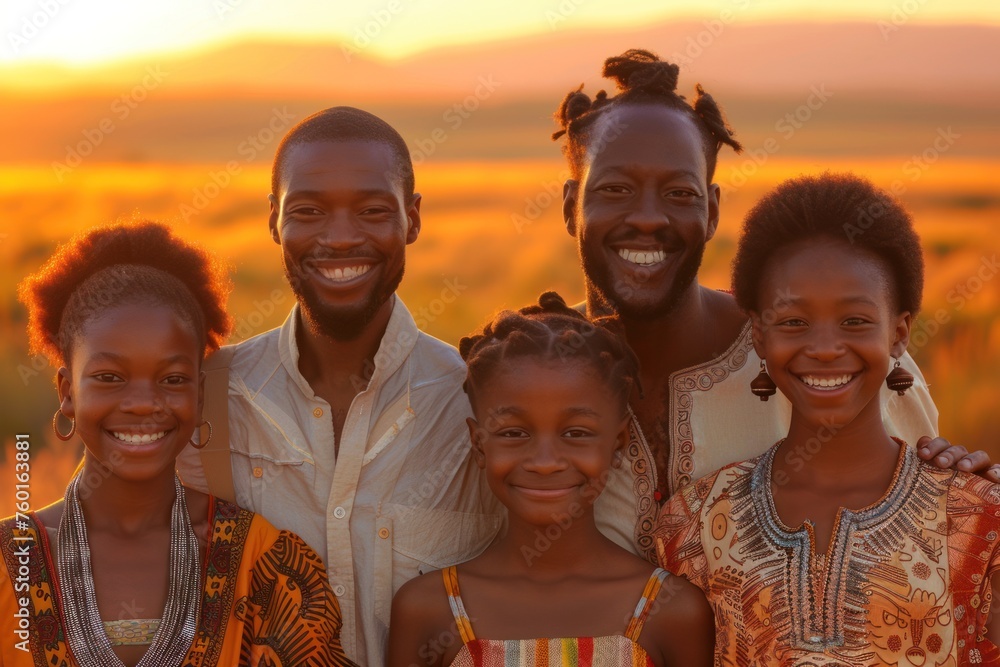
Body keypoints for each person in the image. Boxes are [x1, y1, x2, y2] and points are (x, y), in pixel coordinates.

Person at [551, 48, 994, 560]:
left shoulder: (824, 355)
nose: (648, 218)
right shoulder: (518, 371)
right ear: (571, 205)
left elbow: (929, 548)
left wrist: (974, 499)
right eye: (615, 188)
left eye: (679, 194)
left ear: (712, 212)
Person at [175, 106, 504, 665]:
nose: (342, 238)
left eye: (373, 211)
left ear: (413, 218)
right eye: (308, 211)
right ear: (274, 219)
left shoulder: (480, 407)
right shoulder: (204, 400)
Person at [655, 173, 1000, 665]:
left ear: (899, 332)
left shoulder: (980, 518)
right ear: (759, 335)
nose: (823, 348)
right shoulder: (694, 524)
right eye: (794, 321)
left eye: (854, 321)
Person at [3, 221, 353, 666]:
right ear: (67, 392)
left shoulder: (264, 566)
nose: (143, 404)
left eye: (172, 379)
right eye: (109, 377)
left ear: (200, 395)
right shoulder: (9, 565)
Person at [388, 292, 713, 667]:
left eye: (576, 433)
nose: (544, 463)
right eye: (513, 433)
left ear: (618, 442)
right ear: (478, 444)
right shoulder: (429, 610)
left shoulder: (670, 611)